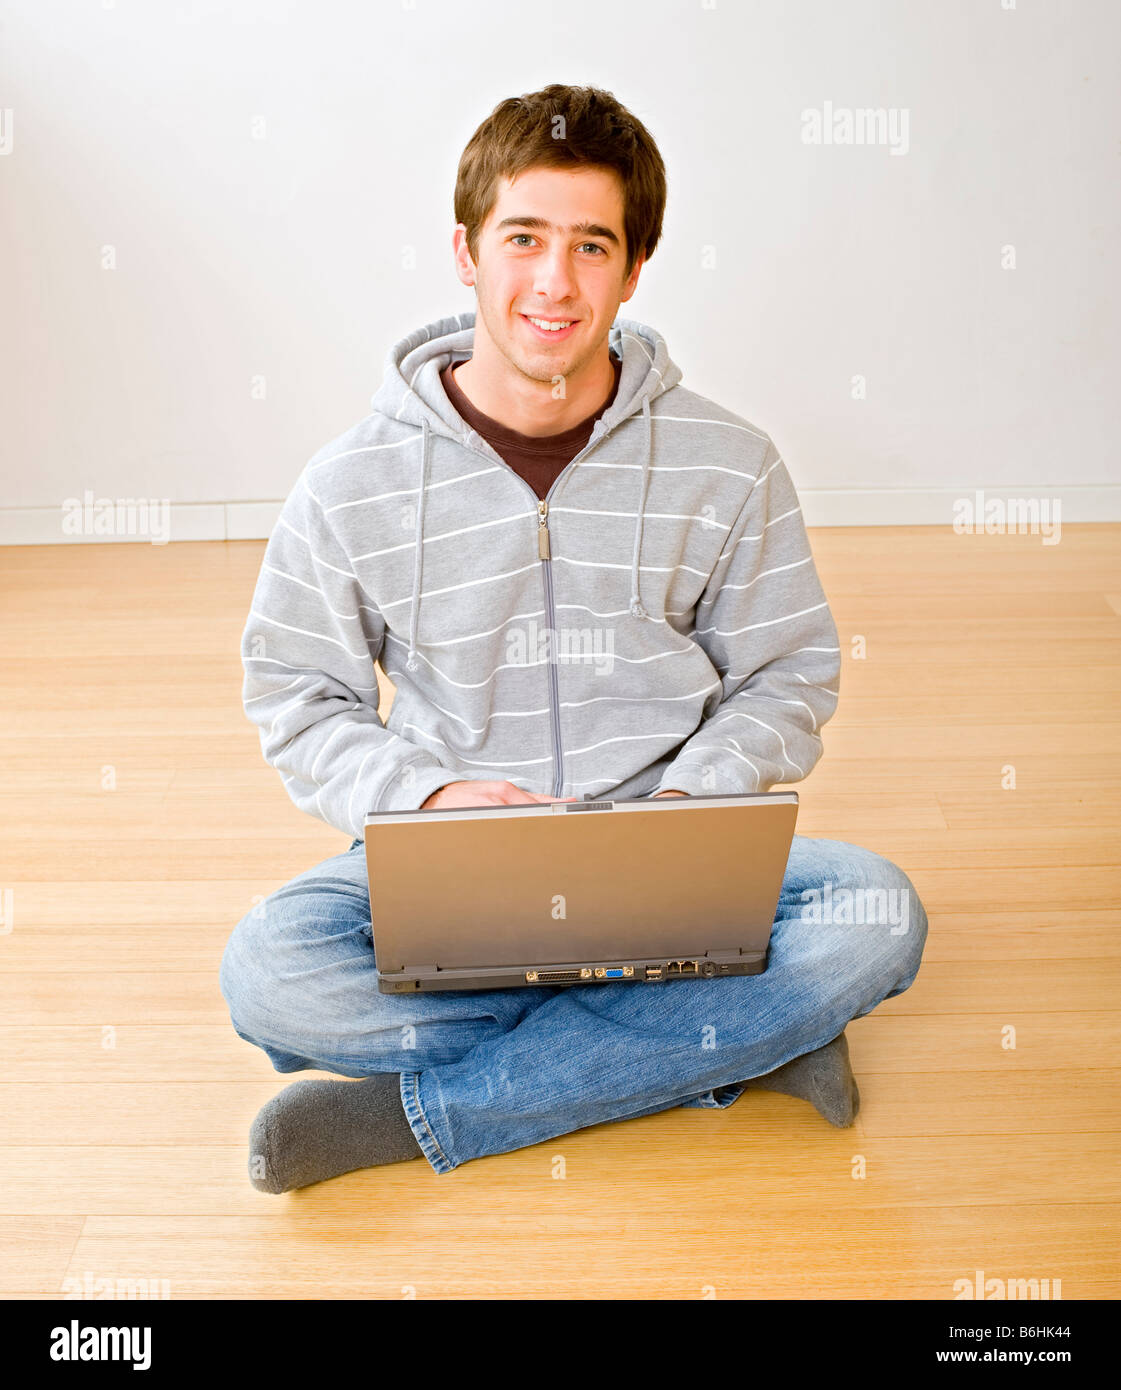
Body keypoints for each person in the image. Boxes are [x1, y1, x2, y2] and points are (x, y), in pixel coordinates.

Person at [220, 83, 927, 1190]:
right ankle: (727, 1045)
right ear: (465, 252)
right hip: (452, 867)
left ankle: (421, 1117)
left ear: (634, 268)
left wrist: (691, 798)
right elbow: (298, 696)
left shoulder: (727, 461)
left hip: (673, 856)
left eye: (591, 245)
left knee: (875, 913)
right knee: (269, 973)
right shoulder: (350, 481)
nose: (554, 282)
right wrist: (429, 801)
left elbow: (786, 673)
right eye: (523, 239)